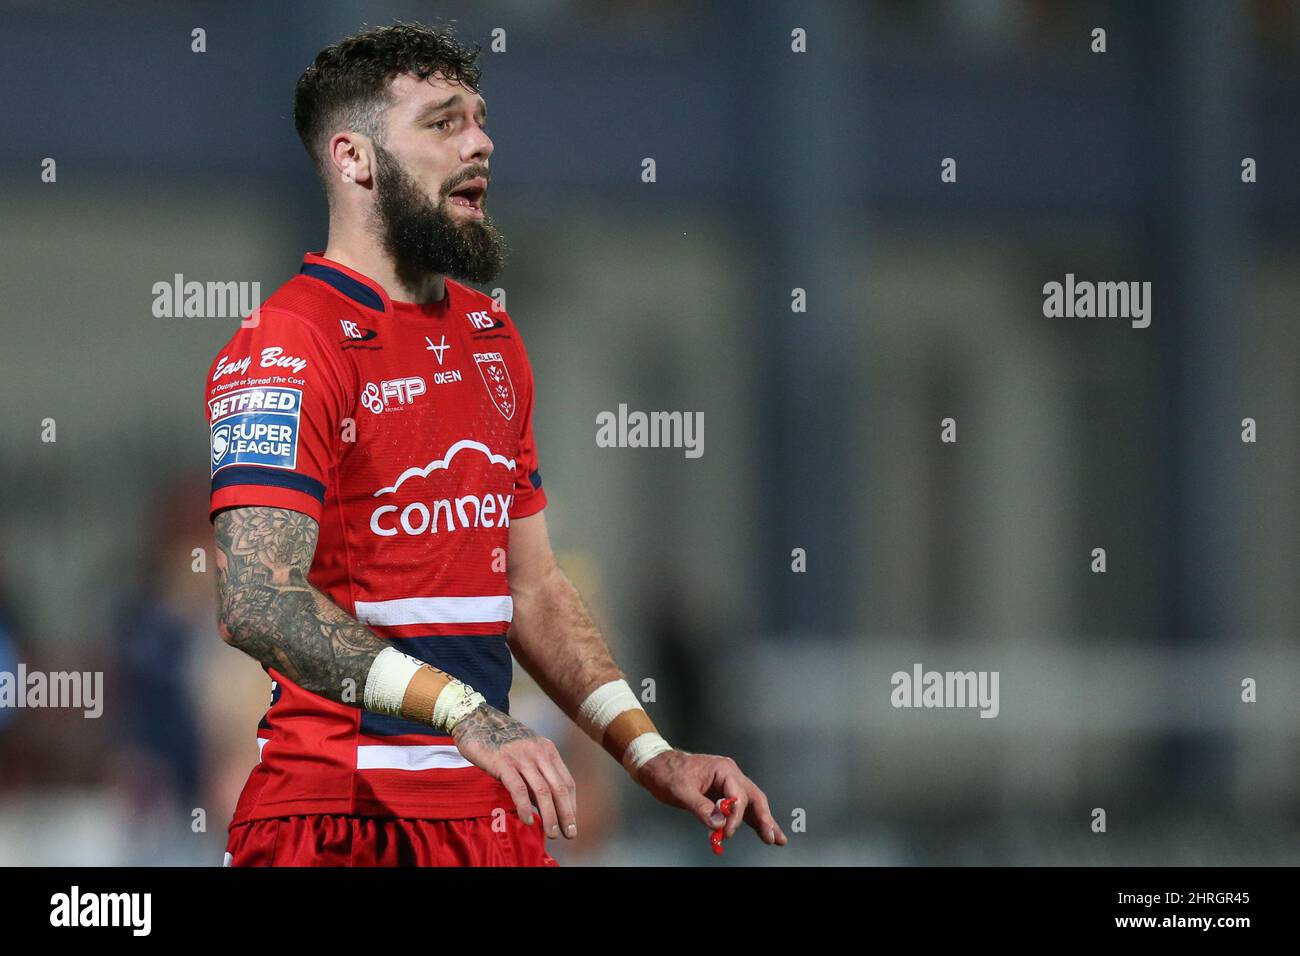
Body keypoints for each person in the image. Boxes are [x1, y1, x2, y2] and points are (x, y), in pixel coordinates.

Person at [206, 21, 787, 866]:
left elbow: (533, 585)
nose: (481, 142)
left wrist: (651, 754)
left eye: (478, 119)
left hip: (490, 822)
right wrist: (465, 713)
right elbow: (257, 599)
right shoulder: (289, 343)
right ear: (354, 159)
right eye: (443, 122)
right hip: (342, 821)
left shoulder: (491, 339)